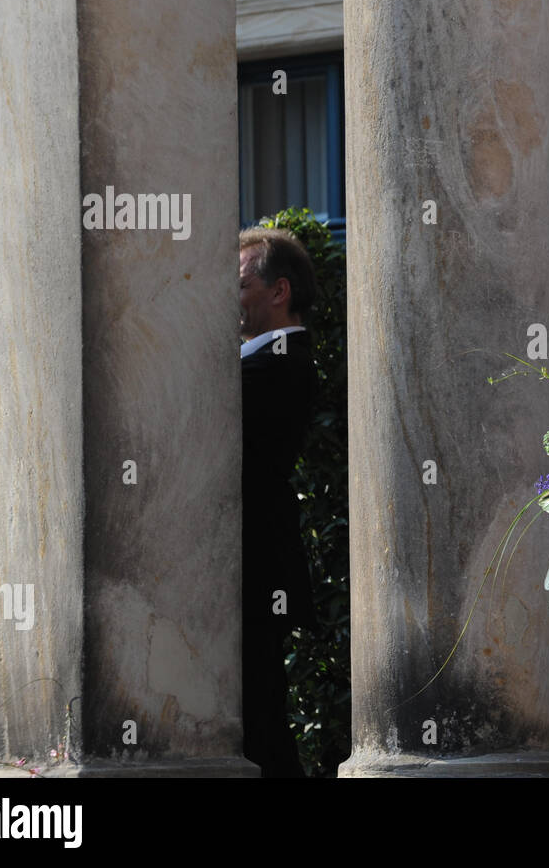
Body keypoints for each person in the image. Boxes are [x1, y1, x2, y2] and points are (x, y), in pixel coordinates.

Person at [238, 226, 319, 777]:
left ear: (279, 290)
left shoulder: (277, 362)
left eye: (241, 283)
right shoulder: (256, 360)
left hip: (251, 563)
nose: (230, 297)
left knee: (259, 713)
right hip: (249, 563)